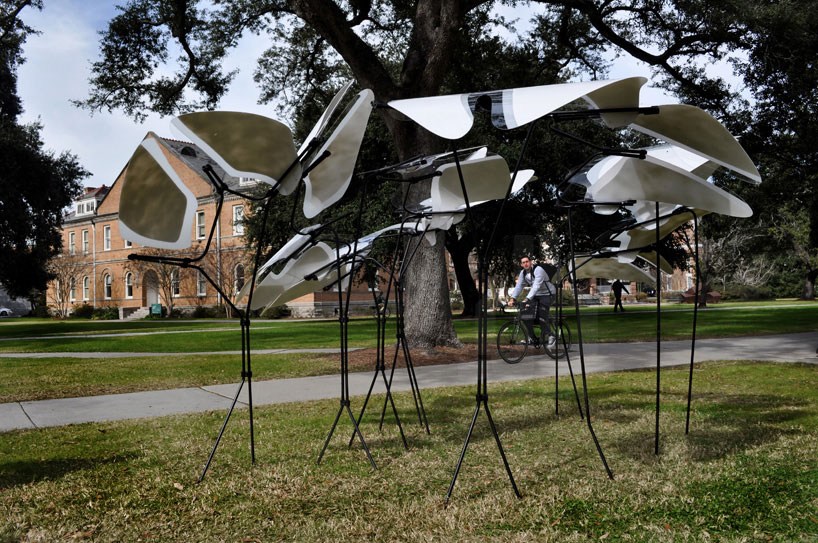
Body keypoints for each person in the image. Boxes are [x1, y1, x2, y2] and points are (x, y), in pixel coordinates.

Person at [508, 256, 557, 347]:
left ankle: (551, 335)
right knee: (526, 315)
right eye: (523, 262)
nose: (525, 263)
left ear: (531, 262)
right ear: (521, 264)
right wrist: (512, 298)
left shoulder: (538, 270)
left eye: (527, 261)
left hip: (548, 294)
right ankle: (532, 338)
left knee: (541, 314)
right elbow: (519, 286)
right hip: (536, 295)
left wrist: (527, 299)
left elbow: (536, 286)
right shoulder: (523, 273)